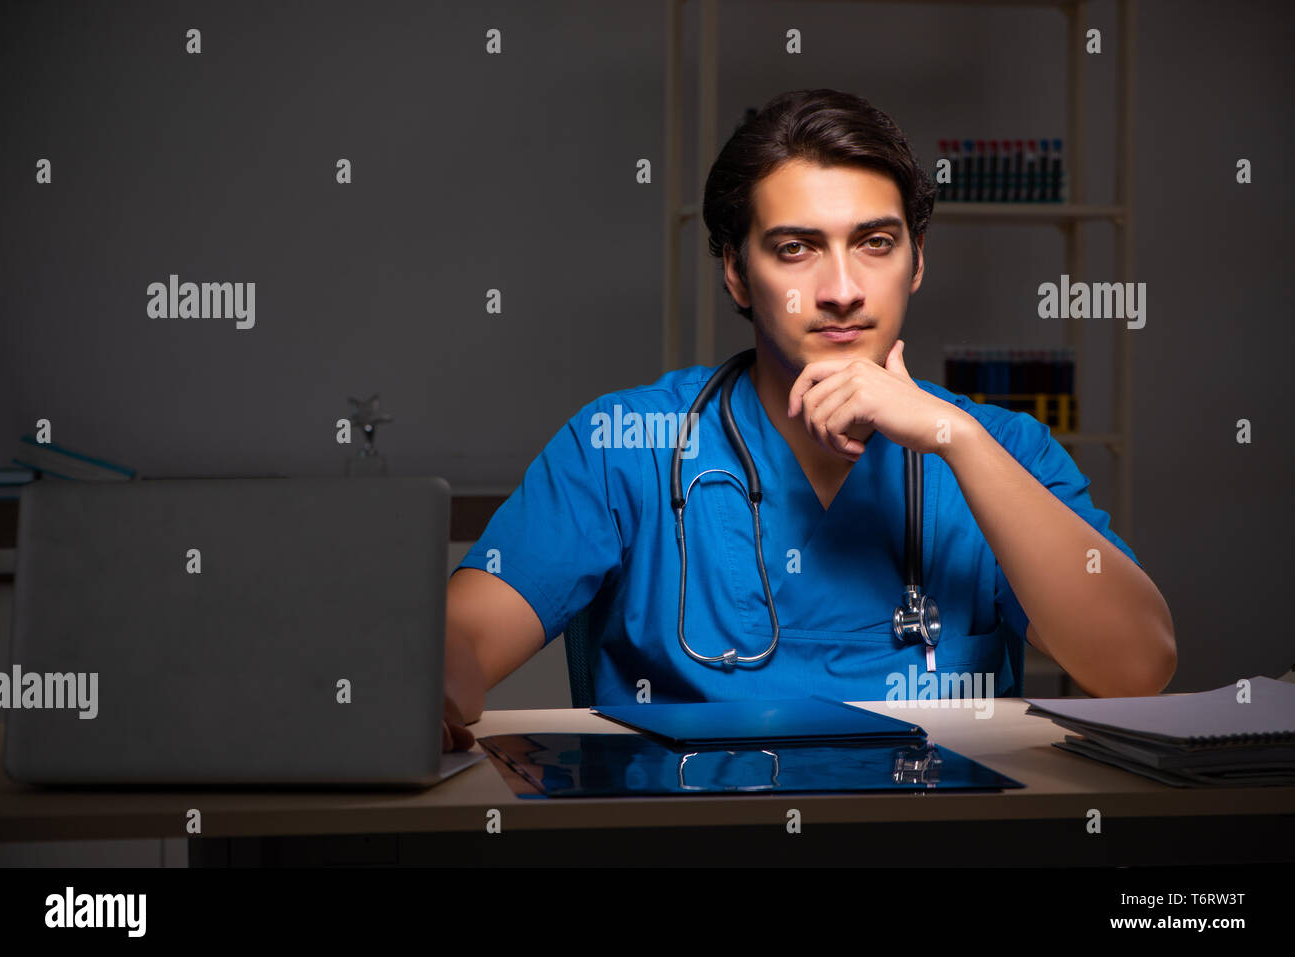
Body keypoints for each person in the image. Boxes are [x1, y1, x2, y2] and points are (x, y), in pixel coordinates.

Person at [439, 89, 1175, 752]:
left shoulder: (1004, 450)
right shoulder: (626, 445)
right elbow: (462, 636)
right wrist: (436, 673)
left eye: (875, 243)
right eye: (796, 249)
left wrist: (958, 440)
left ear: (916, 263)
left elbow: (1136, 666)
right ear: (736, 272)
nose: (842, 290)